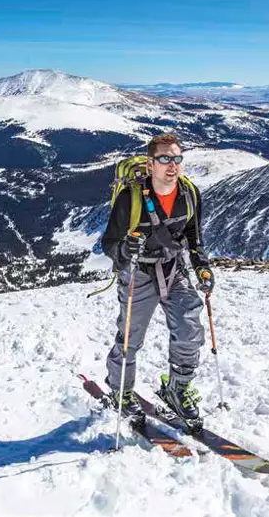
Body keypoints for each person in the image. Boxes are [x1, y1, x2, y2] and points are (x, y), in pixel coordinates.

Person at [101, 132, 215, 422]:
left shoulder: (189, 194)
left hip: (172, 268)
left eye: (177, 158)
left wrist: (201, 266)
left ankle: (178, 388)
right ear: (150, 164)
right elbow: (109, 244)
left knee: (189, 328)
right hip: (138, 271)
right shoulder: (131, 198)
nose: (172, 165)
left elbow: (193, 237)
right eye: (164, 159)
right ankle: (120, 391)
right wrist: (125, 249)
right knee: (130, 337)